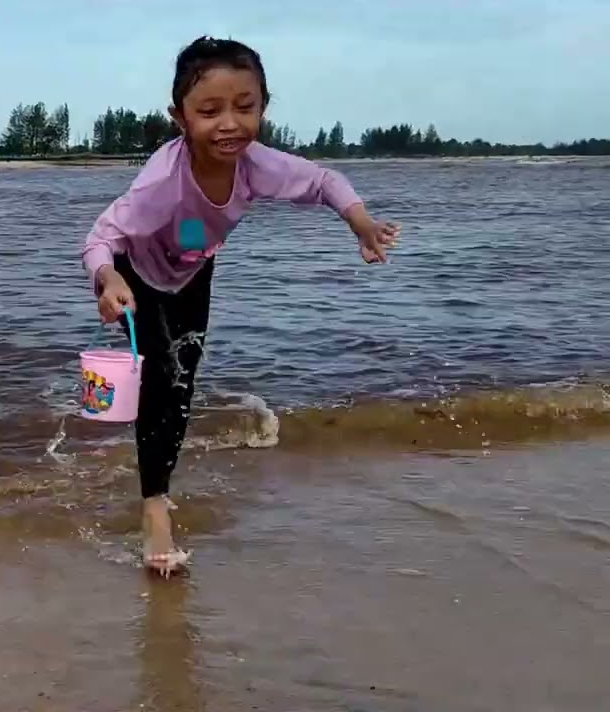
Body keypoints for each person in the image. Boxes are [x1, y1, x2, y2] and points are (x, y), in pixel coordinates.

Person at [81, 36, 400, 577]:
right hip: (135, 274)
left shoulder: (255, 165)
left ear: (263, 107)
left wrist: (361, 223)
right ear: (179, 117)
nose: (229, 123)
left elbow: (323, 181)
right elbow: (100, 236)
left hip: (193, 269)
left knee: (184, 384)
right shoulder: (161, 180)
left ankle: (159, 483)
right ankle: (154, 508)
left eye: (245, 107)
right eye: (209, 111)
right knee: (162, 376)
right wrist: (108, 279)